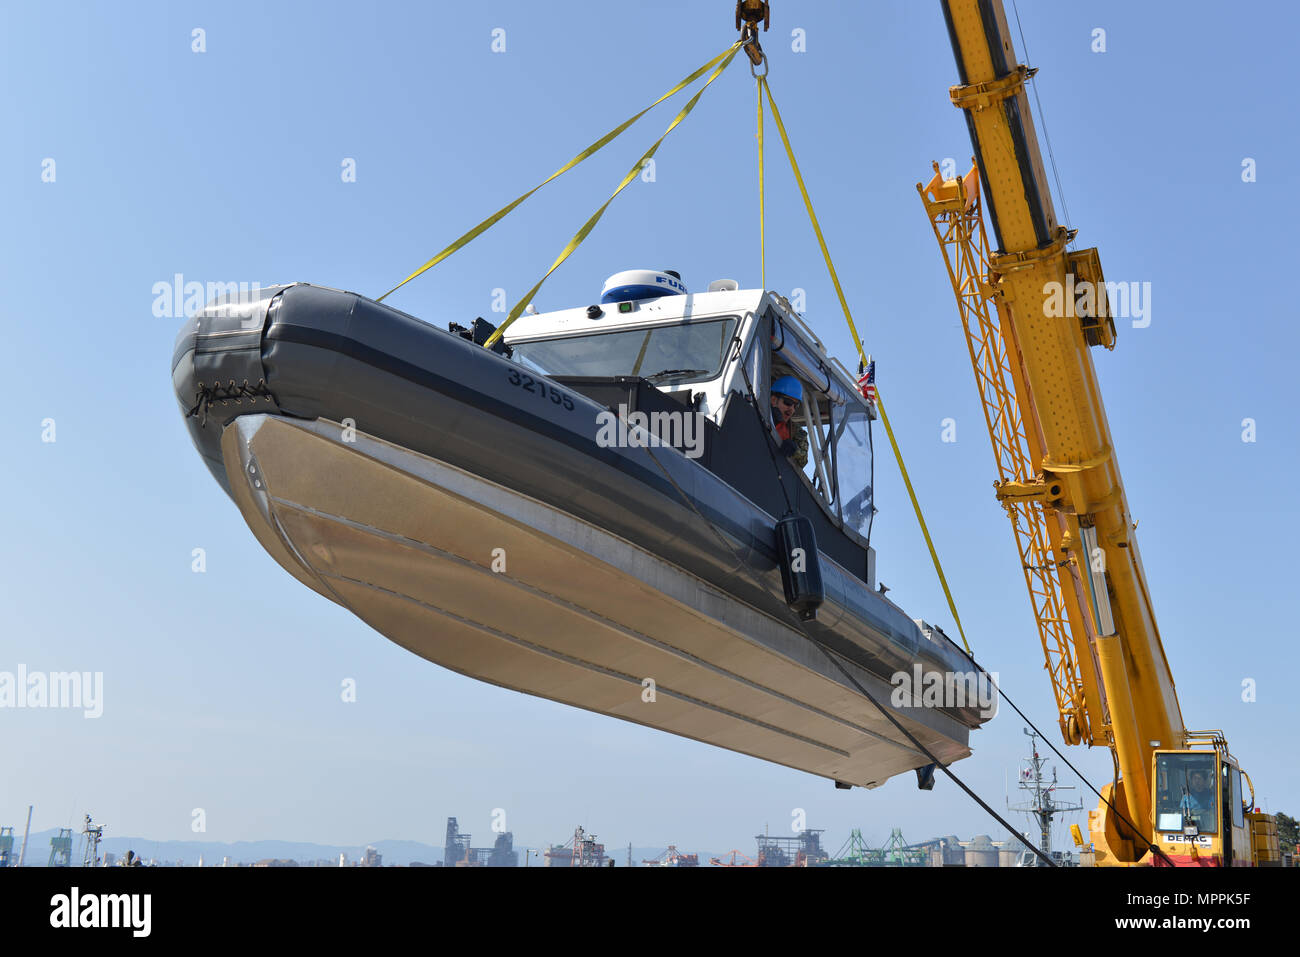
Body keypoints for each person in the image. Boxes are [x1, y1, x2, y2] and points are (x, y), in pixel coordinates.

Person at [770, 376, 809, 469]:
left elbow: (803, 460)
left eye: (795, 406)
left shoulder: (796, 431)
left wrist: (795, 450)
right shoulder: (757, 412)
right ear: (774, 400)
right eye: (788, 402)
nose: (792, 409)